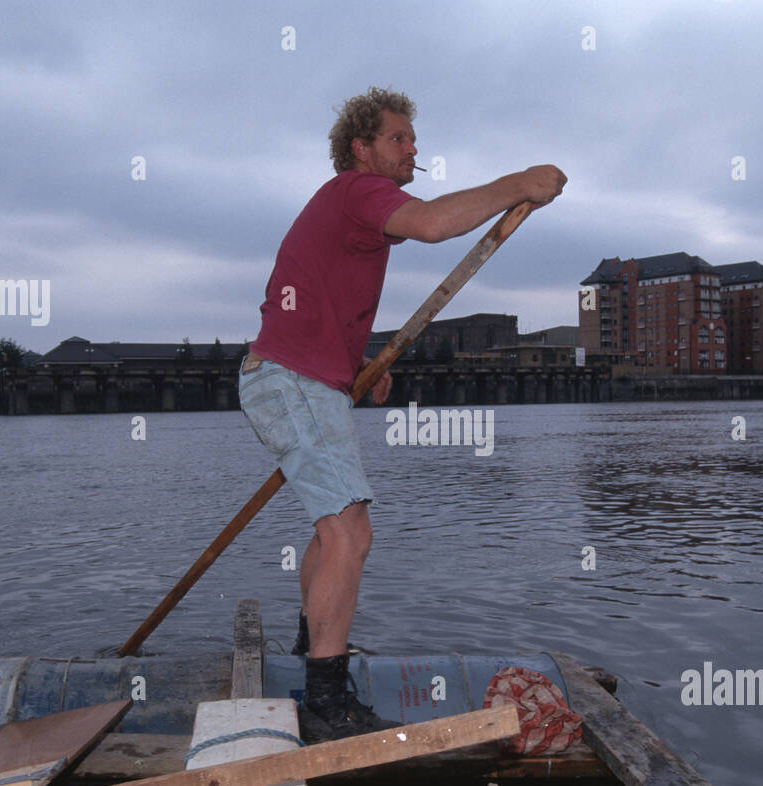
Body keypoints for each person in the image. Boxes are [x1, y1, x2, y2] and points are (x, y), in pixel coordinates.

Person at [239, 87, 565, 742]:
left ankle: (313, 653)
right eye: (399, 138)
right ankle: (327, 702)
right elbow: (437, 223)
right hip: (290, 382)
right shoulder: (358, 190)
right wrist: (517, 184)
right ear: (362, 148)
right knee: (350, 533)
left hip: (307, 380)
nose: (413, 149)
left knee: (331, 529)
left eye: (414, 139)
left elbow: (315, 296)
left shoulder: (354, 213)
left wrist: (356, 364)